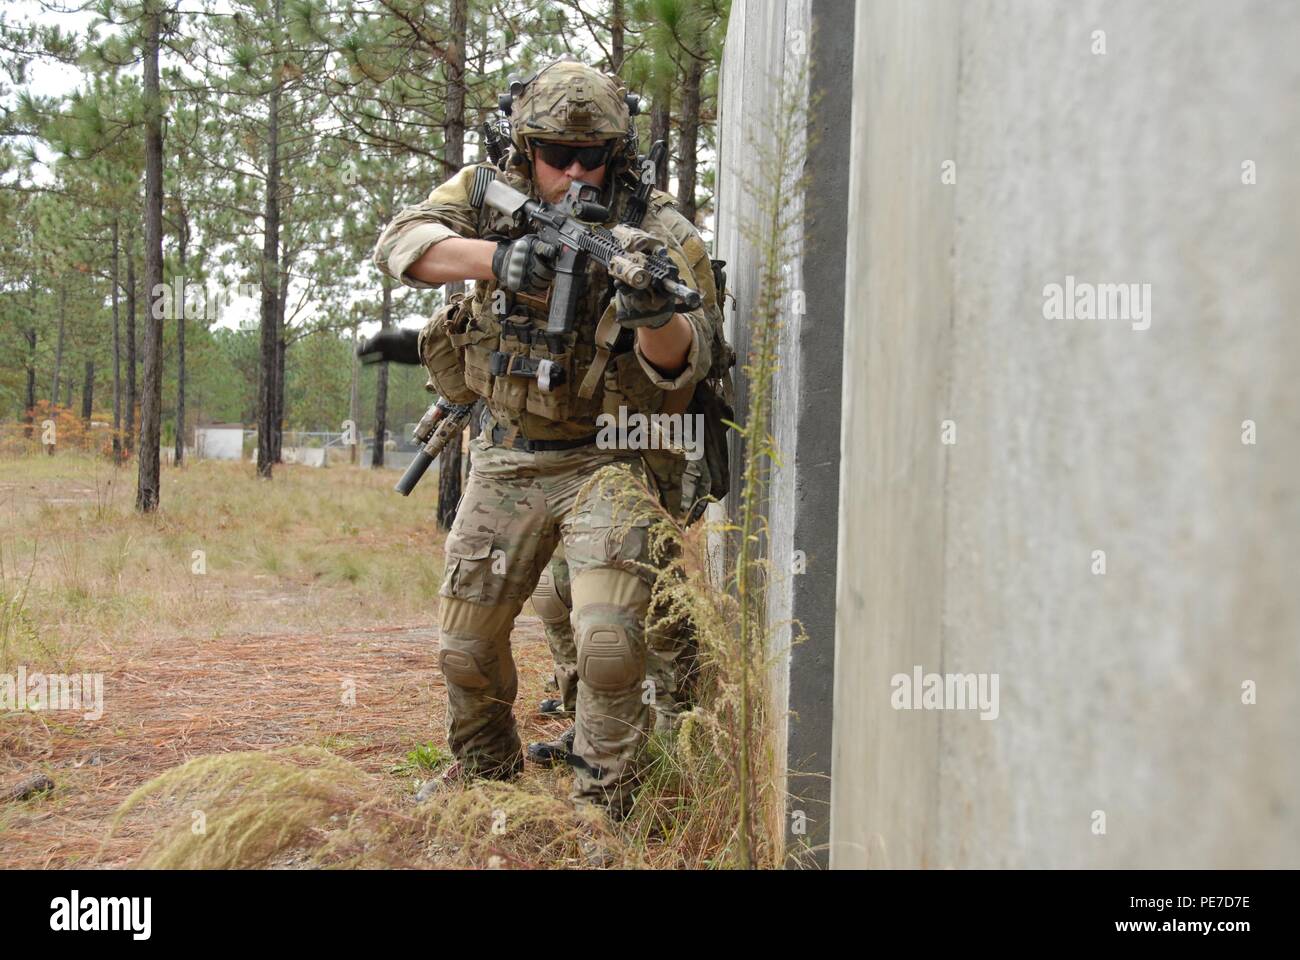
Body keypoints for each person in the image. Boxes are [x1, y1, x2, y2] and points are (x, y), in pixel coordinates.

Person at [371, 57, 718, 817]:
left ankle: (604, 805)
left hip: (613, 456)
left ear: (615, 153)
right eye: (555, 154)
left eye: (590, 156)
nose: (573, 172)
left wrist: (653, 313)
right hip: (507, 455)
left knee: (608, 644)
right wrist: (495, 259)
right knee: (464, 648)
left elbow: (687, 367)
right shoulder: (485, 193)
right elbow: (403, 243)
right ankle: (486, 780)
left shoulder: (657, 229)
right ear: (525, 147)